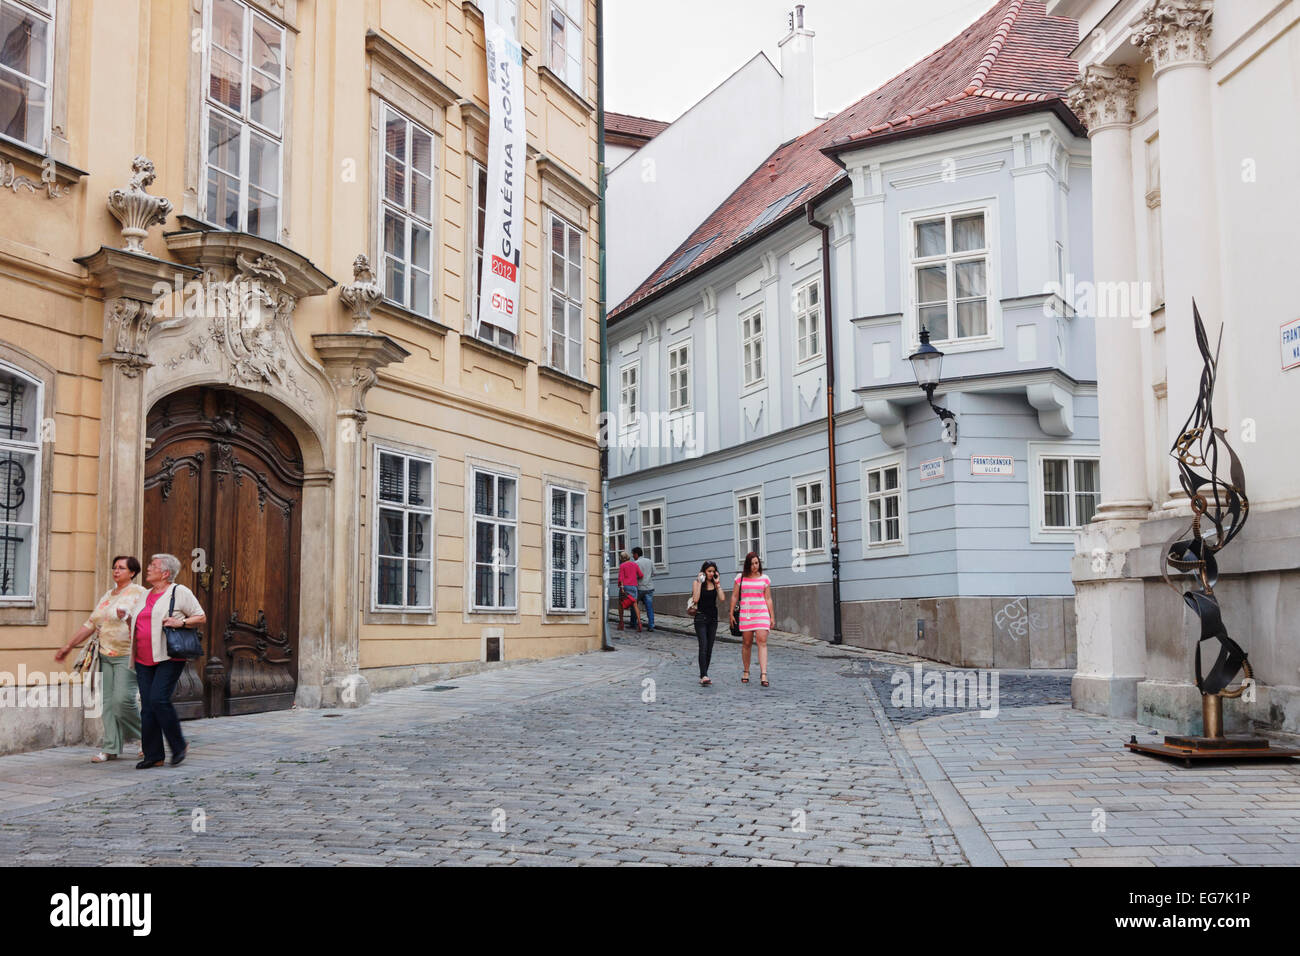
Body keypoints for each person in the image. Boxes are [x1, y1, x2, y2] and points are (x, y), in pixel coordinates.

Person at [55, 555, 147, 762]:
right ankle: (111, 747)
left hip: (128, 654)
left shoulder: (139, 593)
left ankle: (146, 738)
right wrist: (69, 646)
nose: (116, 571)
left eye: (121, 568)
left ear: (132, 572)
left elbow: (144, 622)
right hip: (104, 654)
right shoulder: (107, 595)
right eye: (114, 567)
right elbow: (90, 624)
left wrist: (128, 616)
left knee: (122, 700)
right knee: (107, 703)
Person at [133, 553, 206, 769]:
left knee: (158, 700)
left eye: (152, 565)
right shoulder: (145, 594)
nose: (148, 568)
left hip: (168, 656)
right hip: (142, 657)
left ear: (165, 573)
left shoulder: (179, 591)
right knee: (147, 706)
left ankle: (179, 745)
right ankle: (153, 755)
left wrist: (180, 622)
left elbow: (200, 616)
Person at [729, 551, 774, 687]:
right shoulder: (740, 578)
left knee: (762, 642)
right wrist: (731, 613)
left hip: (761, 613)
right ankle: (746, 671)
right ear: (747, 565)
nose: (754, 566)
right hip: (746, 613)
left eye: (756, 563)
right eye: (751, 563)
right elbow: (735, 596)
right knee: (747, 643)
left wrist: (772, 616)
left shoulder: (765, 579)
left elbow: (768, 598)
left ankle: (764, 673)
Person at [690, 561, 721, 686]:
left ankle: (705, 673)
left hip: (713, 619)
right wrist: (699, 582)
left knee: (709, 648)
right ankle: (703, 675)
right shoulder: (696, 583)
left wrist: (718, 584)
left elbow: (722, 598)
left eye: (713, 571)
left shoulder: (715, 583)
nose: (711, 573)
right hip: (700, 618)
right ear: (704, 572)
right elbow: (696, 599)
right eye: (709, 571)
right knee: (703, 646)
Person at [616, 550, 642, 631]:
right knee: (635, 605)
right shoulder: (634, 564)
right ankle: (640, 623)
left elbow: (621, 578)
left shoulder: (622, 565)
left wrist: (622, 588)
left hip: (625, 587)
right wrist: (634, 579)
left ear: (622, 558)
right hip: (634, 587)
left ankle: (621, 623)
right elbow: (641, 575)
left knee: (620, 604)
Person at [632, 546, 656, 631]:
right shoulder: (650, 561)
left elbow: (634, 576)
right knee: (649, 607)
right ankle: (651, 625)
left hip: (639, 588)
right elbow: (654, 573)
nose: (633, 556)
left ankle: (633, 623)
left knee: (634, 606)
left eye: (633, 554)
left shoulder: (635, 563)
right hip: (649, 587)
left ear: (636, 554)